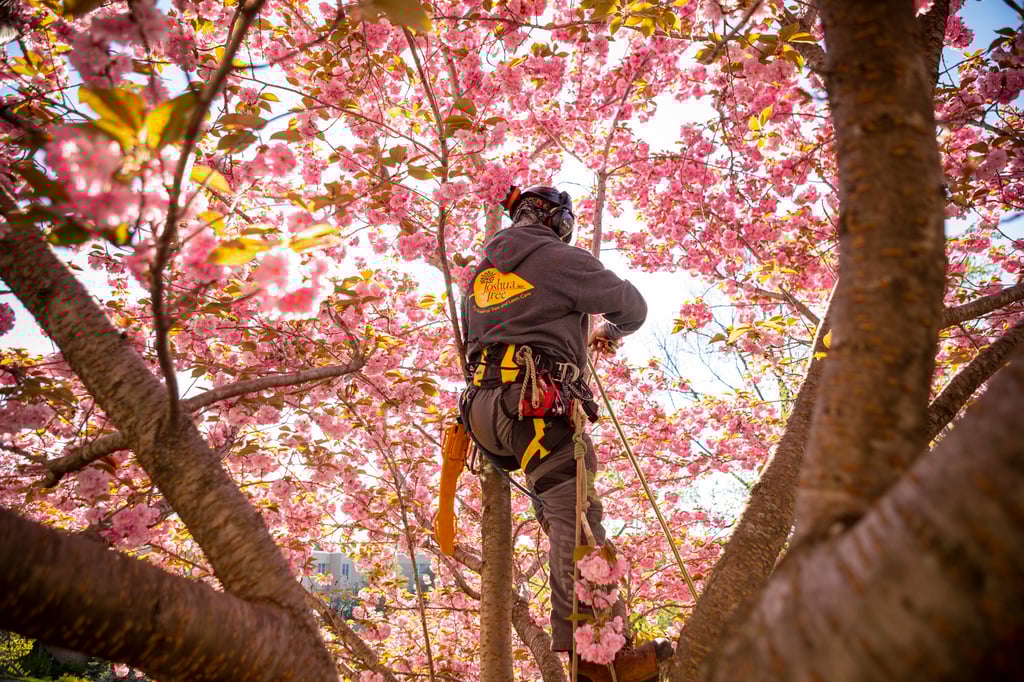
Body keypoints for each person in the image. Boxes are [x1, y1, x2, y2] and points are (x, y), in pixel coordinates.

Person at [459, 185, 672, 681]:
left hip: (486, 412)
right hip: (536, 405)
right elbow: (632, 308)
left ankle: (597, 649)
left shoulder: (479, 274)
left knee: (561, 513)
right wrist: (606, 333)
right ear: (560, 221)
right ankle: (598, 658)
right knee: (576, 518)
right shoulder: (561, 258)